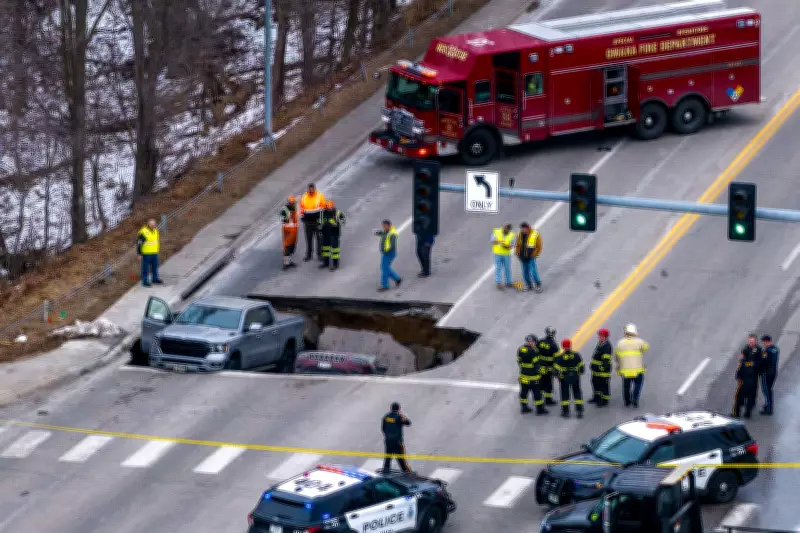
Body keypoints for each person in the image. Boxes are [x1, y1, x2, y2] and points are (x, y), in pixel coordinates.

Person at [614, 323, 649, 408]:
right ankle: (635, 398)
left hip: (625, 370)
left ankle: (627, 402)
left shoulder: (620, 343)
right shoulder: (639, 341)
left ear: (625, 332)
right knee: (638, 384)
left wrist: (619, 365)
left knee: (626, 386)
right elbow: (646, 347)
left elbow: (616, 357)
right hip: (638, 370)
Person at [732, 334, 762, 419]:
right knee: (739, 395)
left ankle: (748, 412)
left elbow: (758, 364)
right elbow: (740, 363)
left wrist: (748, 364)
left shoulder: (759, 351)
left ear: (756, 341)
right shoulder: (745, 349)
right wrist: (738, 375)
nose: (750, 343)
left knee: (751, 396)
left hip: (753, 377)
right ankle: (736, 413)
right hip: (744, 377)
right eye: (749, 341)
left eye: (752, 341)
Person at [518, 334, 548, 415]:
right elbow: (536, 365)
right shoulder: (534, 351)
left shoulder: (520, 349)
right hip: (534, 378)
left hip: (523, 376)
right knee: (537, 394)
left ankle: (524, 408)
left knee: (523, 393)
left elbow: (519, 361)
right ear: (533, 342)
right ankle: (539, 410)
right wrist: (545, 371)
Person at [554, 339, 585, 418]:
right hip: (575, 377)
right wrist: (578, 374)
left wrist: (559, 376)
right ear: (570, 345)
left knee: (565, 395)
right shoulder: (576, 355)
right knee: (577, 393)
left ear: (563, 347)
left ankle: (566, 412)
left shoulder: (560, 357)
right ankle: (579, 411)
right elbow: (581, 367)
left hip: (565, 378)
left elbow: (556, 370)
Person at [299, 183, 327, 261]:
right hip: (308, 224)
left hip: (317, 223)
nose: (311, 192)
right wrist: (302, 217)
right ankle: (309, 255)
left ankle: (320, 255)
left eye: (312, 190)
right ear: (308, 190)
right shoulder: (304, 197)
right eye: (309, 191)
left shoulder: (320, 196)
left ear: (314, 189)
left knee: (319, 239)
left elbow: (323, 209)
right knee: (308, 240)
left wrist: (321, 221)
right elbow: (301, 208)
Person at [381, 402, 411, 472]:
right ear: (399, 409)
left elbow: (383, 429)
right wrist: (403, 417)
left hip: (388, 441)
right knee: (401, 460)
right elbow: (408, 423)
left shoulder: (386, 417)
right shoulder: (399, 417)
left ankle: (385, 472)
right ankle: (407, 474)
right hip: (397, 442)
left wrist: (388, 436)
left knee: (387, 459)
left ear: (391, 408)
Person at [514, 222, 543, 293]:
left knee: (533, 271)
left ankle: (538, 284)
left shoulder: (535, 234)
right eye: (521, 229)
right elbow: (517, 245)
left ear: (527, 228)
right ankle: (529, 285)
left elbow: (539, 246)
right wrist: (517, 253)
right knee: (525, 272)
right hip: (522, 257)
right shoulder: (520, 235)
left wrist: (534, 254)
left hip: (531, 257)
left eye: (524, 229)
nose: (522, 230)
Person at [589, 329, 613, 407]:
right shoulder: (600, 344)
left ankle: (604, 400)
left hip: (603, 371)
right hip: (596, 370)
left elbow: (606, 360)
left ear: (605, 337)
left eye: (601, 336)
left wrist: (601, 368)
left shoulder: (607, 346)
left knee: (603, 385)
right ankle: (597, 397)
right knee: (595, 383)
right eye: (599, 335)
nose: (599, 337)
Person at [375, 219, 402, 292]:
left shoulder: (392, 234)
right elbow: (383, 233)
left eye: (385, 226)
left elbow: (392, 245)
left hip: (389, 253)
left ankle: (385, 285)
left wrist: (386, 250)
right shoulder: (386, 231)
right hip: (386, 253)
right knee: (385, 267)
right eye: (383, 226)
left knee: (384, 269)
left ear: (389, 226)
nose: (383, 228)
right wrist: (378, 233)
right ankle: (397, 279)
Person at [318, 200, 345, 271]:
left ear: (333, 207)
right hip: (325, 233)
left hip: (334, 234)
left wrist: (337, 224)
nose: (330, 209)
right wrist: (319, 228)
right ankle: (325, 263)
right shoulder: (322, 212)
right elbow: (319, 221)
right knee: (325, 249)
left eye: (331, 207)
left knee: (335, 250)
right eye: (328, 207)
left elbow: (343, 221)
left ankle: (335, 264)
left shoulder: (337, 212)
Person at [137, 218, 163, 287]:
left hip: (154, 253)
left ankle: (155, 279)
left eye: (154, 224)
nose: (153, 225)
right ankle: (145, 281)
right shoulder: (143, 232)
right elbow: (139, 243)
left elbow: (155, 241)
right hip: (146, 253)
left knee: (155, 267)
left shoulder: (155, 231)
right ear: (148, 224)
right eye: (152, 224)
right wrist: (139, 254)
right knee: (145, 268)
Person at [537, 327, 559, 406]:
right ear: (553, 334)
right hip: (549, 369)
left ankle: (539, 398)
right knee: (548, 383)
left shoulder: (540, 342)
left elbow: (535, 353)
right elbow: (556, 359)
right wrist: (556, 370)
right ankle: (548, 400)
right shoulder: (554, 345)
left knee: (541, 382)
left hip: (540, 367)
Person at [491, 223, 515, 290]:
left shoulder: (511, 235)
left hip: (506, 254)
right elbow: (493, 241)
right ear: (503, 227)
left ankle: (508, 282)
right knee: (498, 268)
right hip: (497, 253)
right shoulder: (496, 231)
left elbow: (511, 245)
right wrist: (500, 242)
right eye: (505, 228)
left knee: (507, 268)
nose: (505, 230)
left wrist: (506, 246)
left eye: (507, 230)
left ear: (509, 230)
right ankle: (498, 283)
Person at [760, 335, 778, 415]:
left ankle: (769, 409)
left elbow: (763, 361)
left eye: (764, 342)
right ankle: (768, 405)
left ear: (767, 342)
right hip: (773, 372)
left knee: (766, 390)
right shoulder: (775, 349)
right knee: (768, 389)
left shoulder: (767, 351)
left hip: (767, 373)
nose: (763, 344)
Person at [279, 196, 299, 270]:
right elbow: (281, 218)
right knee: (287, 247)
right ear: (289, 203)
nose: (293, 204)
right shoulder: (284, 210)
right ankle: (286, 264)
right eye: (292, 203)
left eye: (294, 203)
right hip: (288, 231)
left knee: (292, 247)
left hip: (294, 231)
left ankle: (289, 262)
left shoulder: (294, 208)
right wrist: (286, 219)